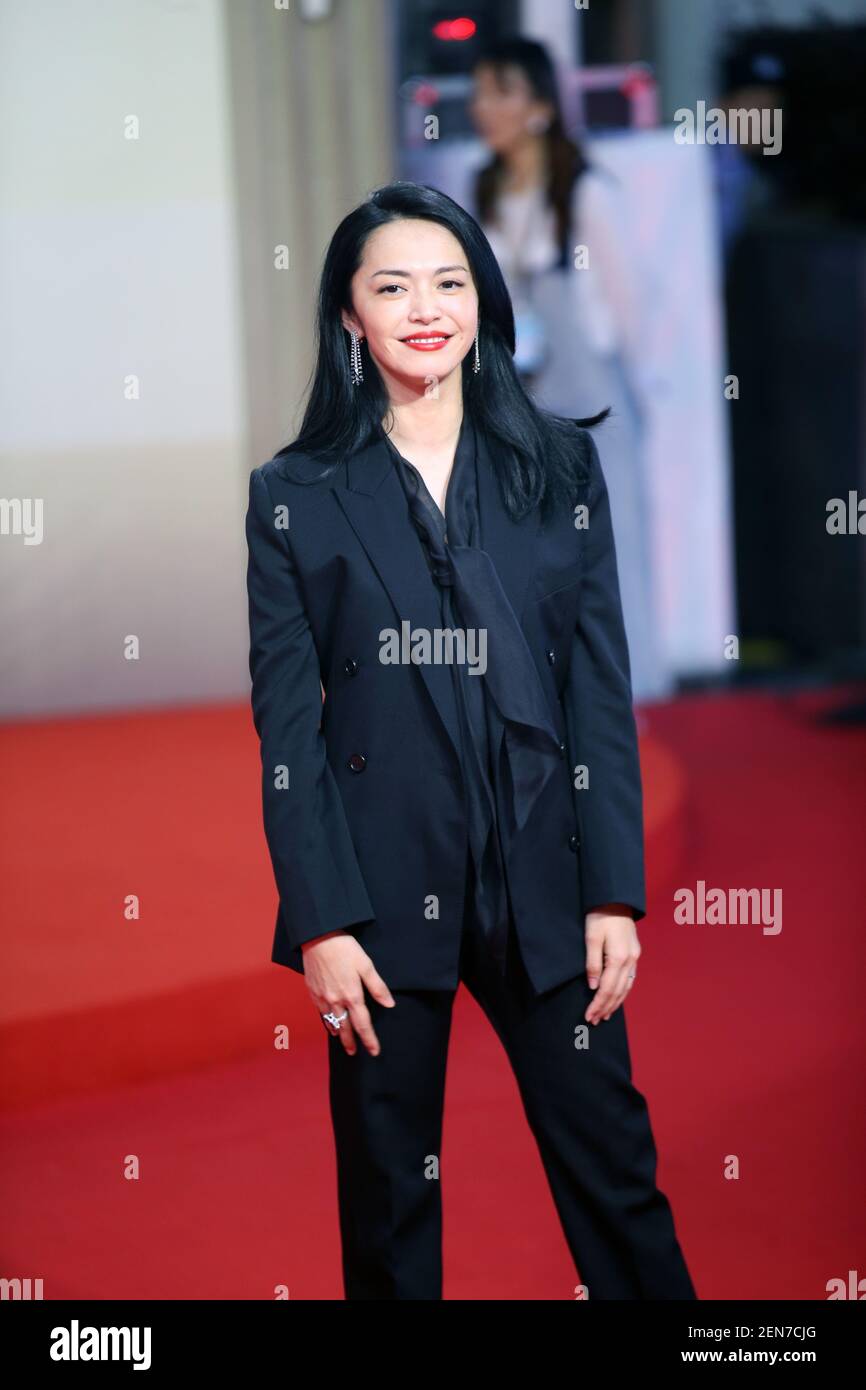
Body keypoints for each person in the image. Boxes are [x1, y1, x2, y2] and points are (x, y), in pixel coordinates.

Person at [244, 179, 696, 1301]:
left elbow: (598, 692)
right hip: (379, 897)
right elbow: (287, 730)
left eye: (449, 283)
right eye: (392, 287)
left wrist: (612, 893)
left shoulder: (558, 467)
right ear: (349, 314)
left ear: (483, 300)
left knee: (616, 1177)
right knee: (389, 1206)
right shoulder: (295, 494)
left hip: (547, 879)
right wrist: (322, 921)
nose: (425, 309)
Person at [469, 37, 669, 702]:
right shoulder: (486, 191)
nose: (483, 107)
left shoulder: (586, 193)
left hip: (590, 397)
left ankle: (623, 698)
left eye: (501, 91)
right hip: (519, 400)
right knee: (529, 550)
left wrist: (640, 396)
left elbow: (630, 308)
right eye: (480, 93)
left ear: (542, 106)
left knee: (610, 546)